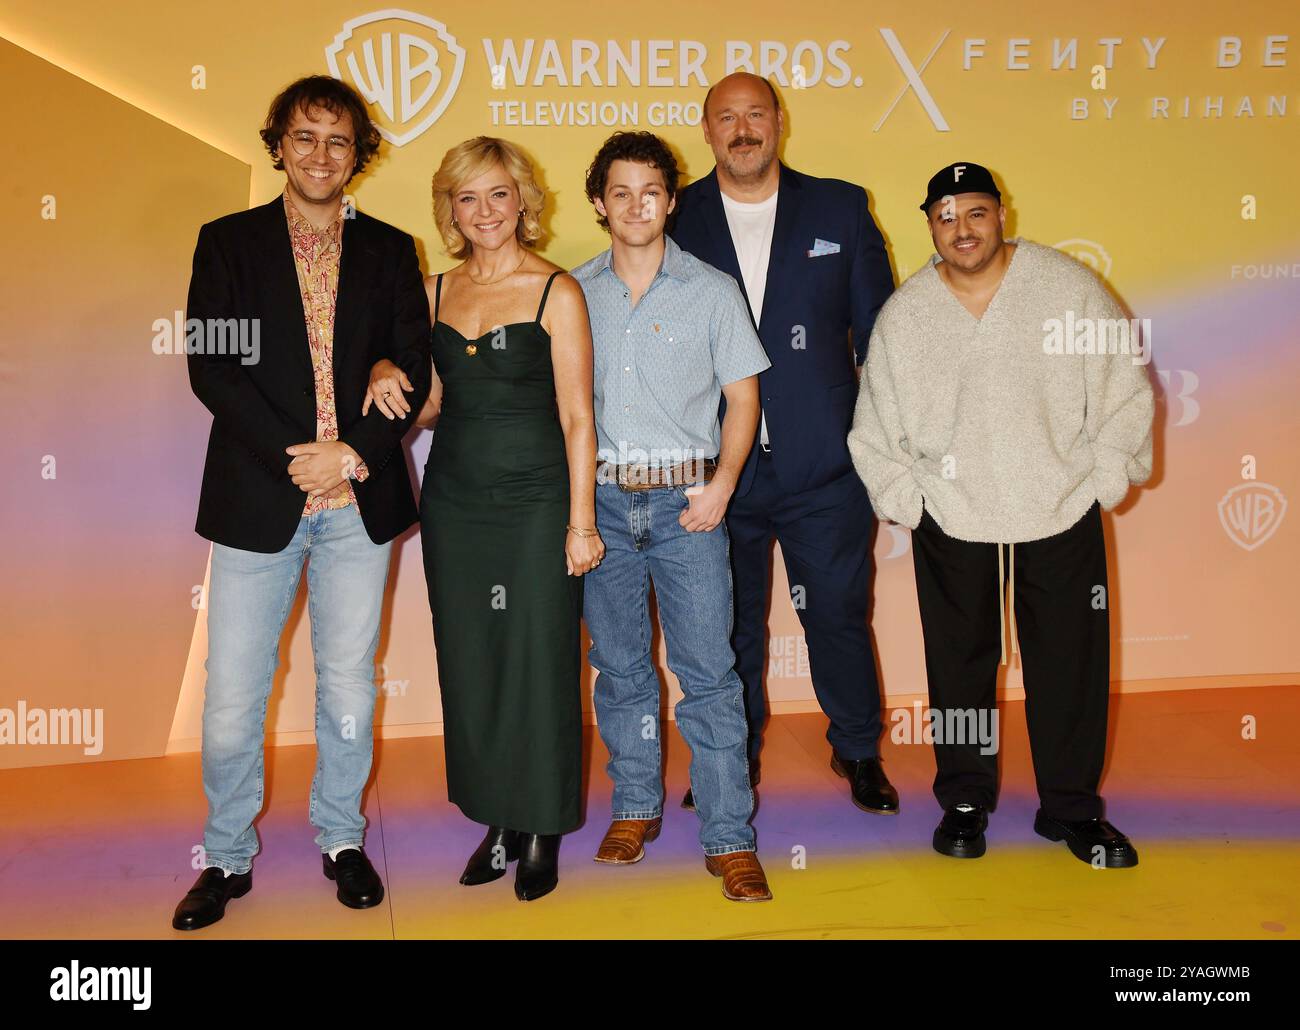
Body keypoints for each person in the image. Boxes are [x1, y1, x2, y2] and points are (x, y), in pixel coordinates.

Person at [173, 76, 432, 931]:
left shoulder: (393, 251)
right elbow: (211, 367)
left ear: (359, 155)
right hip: (260, 496)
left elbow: (413, 364)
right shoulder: (228, 243)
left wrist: (352, 453)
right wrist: (303, 462)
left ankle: (341, 839)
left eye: (339, 141)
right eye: (305, 137)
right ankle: (225, 856)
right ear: (277, 143)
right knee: (232, 698)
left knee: (349, 686)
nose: (322, 155)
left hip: (359, 504)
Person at [848, 161, 1154, 866]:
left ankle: (1072, 810)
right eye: (946, 215)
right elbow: (874, 422)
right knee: (958, 665)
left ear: (1001, 214)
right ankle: (964, 799)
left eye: (976, 212)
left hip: (1059, 505)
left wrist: (1103, 476)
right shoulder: (908, 314)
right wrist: (909, 498)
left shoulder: (1069, 290)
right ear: (929, 224)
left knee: (1070, 663)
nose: (962, 228)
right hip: (953, 515)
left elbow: (1124, 389)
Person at [366, 137, 600, 902]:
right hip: (457, 504)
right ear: (450, 210)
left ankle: (540, 830)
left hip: (537, 504)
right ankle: (496, 818)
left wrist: (581, 522)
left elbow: (576, 417)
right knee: (470, 662)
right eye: (468, 198)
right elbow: (431, 405)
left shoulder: (555, 292)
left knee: (538, 659)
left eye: (499, 194)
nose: (485, 212)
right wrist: (384, 371)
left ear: (523, 201)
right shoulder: (431, 292)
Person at [670, 72, 899, 816]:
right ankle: (728, 757)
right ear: (705, 131)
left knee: (836, 611)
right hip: (714, 473)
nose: (742, 129)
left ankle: (859, 748)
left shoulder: (840, 205)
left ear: (779, 122)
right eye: (725, 117)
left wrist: (882, 446)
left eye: (756, 114)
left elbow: (881, 338)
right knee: (724, 626)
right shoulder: (675, 216)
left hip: (825, 468)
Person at [573, 131, 774, 902]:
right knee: (620, 672)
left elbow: (744, 398)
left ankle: (729, 835)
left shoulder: (713, 289)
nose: (635, 205)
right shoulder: (574, 293)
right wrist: (577, 510)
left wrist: (723, 485)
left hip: (690, 504)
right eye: (619, 192)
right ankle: (634, 808)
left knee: (711, 678)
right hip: (604, 510)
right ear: (599, 202)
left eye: (650, 191)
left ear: (671, 199)